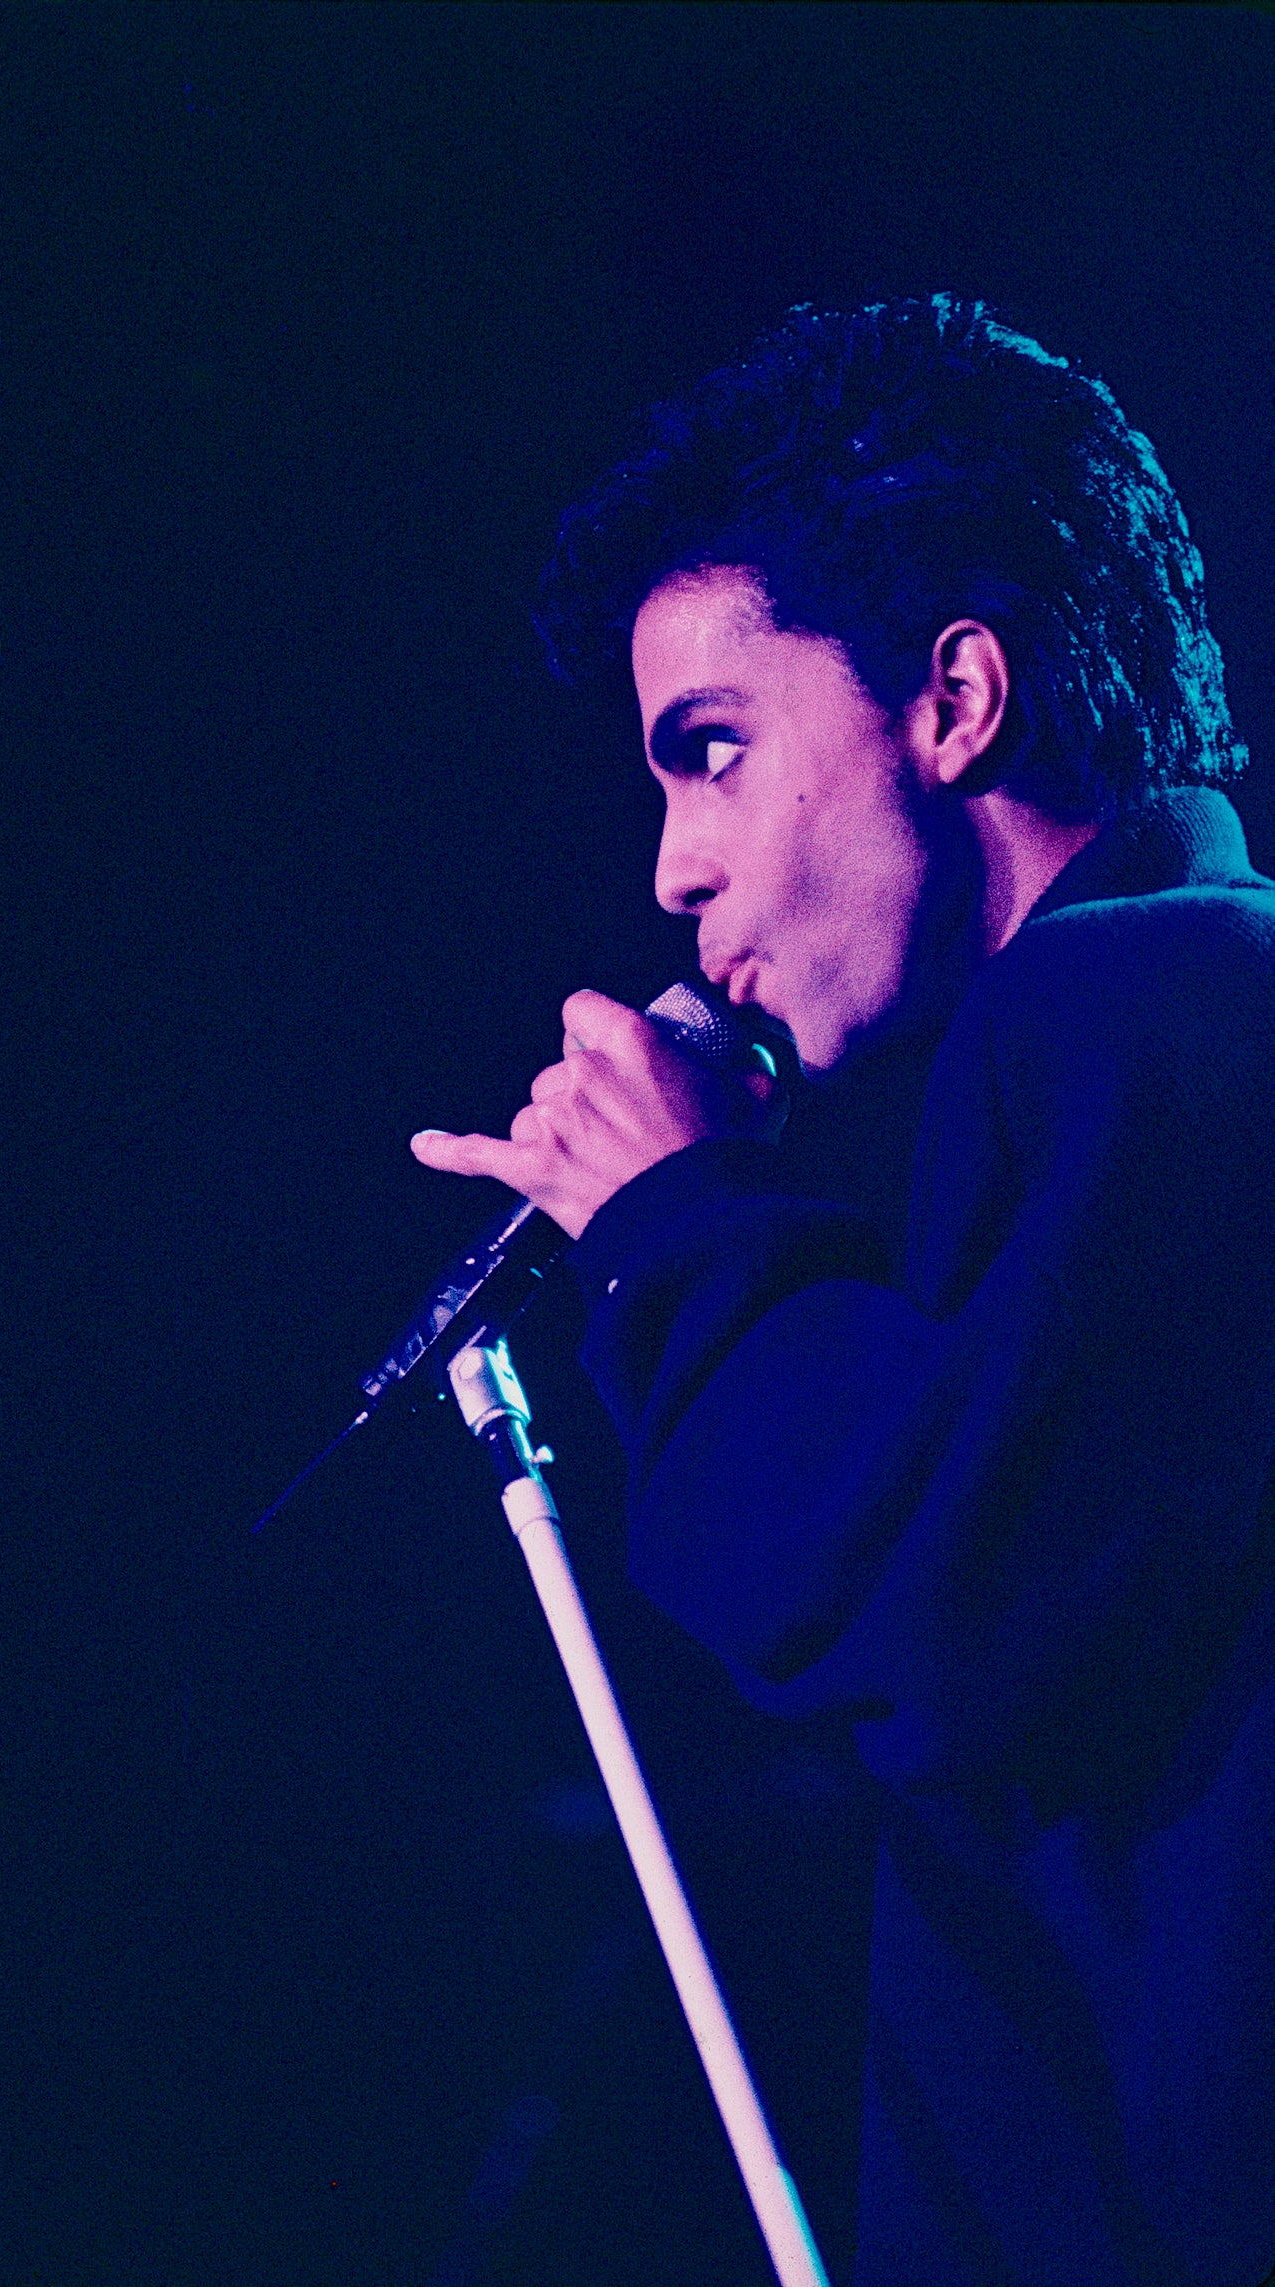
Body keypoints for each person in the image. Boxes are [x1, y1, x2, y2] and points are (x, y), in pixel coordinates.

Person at [410, 297, 1275, 2286]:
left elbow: (942, 1588)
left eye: (709, 754)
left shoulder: (1147, 1002)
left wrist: (674, 1221)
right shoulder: (1161, 1024)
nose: (670, 871)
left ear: (954, 701)